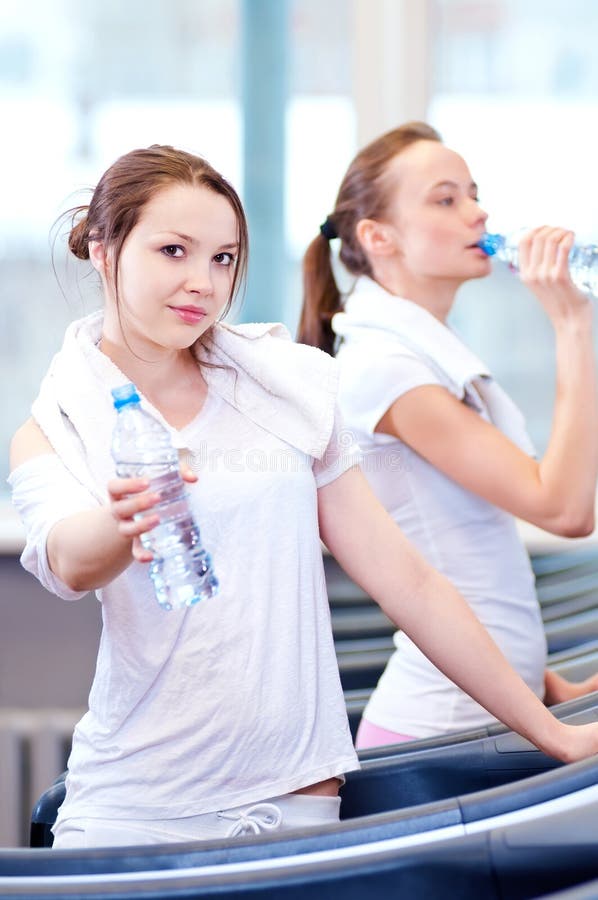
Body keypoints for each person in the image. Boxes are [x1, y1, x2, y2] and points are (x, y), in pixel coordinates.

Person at [9, 145, 598, 852]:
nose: (202, 282)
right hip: (134, 808)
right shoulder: (57, 425)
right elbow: (67, 559)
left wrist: (552, 734)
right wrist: (120, 522)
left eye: (223, 259)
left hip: (297, 807)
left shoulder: (286, 387)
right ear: (104, 252)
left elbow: (410, 582)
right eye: (173, 251)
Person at [298, 121, 598, 749]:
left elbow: (460, 547)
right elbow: (565, 510)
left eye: (474, 194)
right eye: (446, 199)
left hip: (482, 712)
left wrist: (543, 680)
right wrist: (572, 324)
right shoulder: (387, 369)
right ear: (378, 237)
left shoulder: (414, 348)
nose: (479, 212)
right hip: (441, 729)